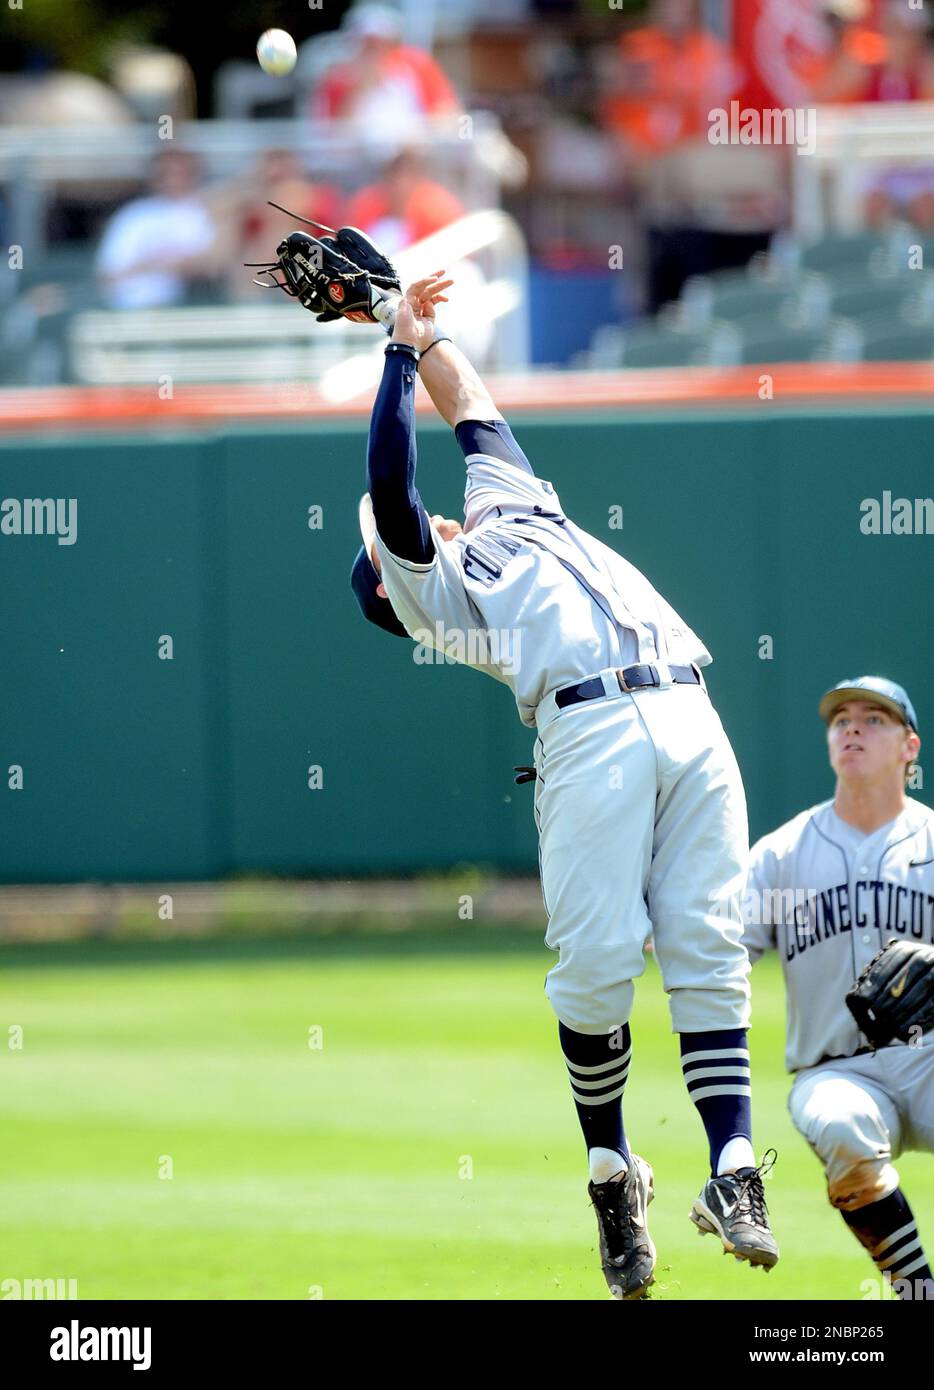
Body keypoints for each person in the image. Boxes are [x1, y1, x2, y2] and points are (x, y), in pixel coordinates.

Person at [347, 271, 780, 1299]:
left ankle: (731, 1170)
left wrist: (403, 312)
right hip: (585, 729)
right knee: (593, 971)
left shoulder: (508, 504)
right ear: (393, 582)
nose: (412, 532)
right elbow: (396, 481)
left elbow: (474, 412)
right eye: (390, 547)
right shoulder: (435, 593)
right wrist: (392, 361)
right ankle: (609, 1173)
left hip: (687, 706)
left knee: (709, 949)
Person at [743, 677, 934, 1300]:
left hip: (930, 1061)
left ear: (910, 747)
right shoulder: (783, 853)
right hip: (836, 1070)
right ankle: (914, 1290)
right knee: (843, 1127)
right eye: (841, 719)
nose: (851, 727)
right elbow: (717, 947)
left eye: (873, 719)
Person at [311, 3, 459, 145]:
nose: (375, 52)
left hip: (414, 159)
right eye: (368, 45)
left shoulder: (418, 67)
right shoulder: (336, 79)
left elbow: (448, 115)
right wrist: (363, 86)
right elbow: (335, 140)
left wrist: (419, 136)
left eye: (382, 44)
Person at [95, 148, 219, 310]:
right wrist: (152, 265)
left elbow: (211, 267)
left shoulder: (210, 211)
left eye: (182, 173)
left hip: (190, 308)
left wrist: (180, 266)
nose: (174, 180)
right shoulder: (134, 215)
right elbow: (109, 275)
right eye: (166, 174)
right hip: (131, 311)